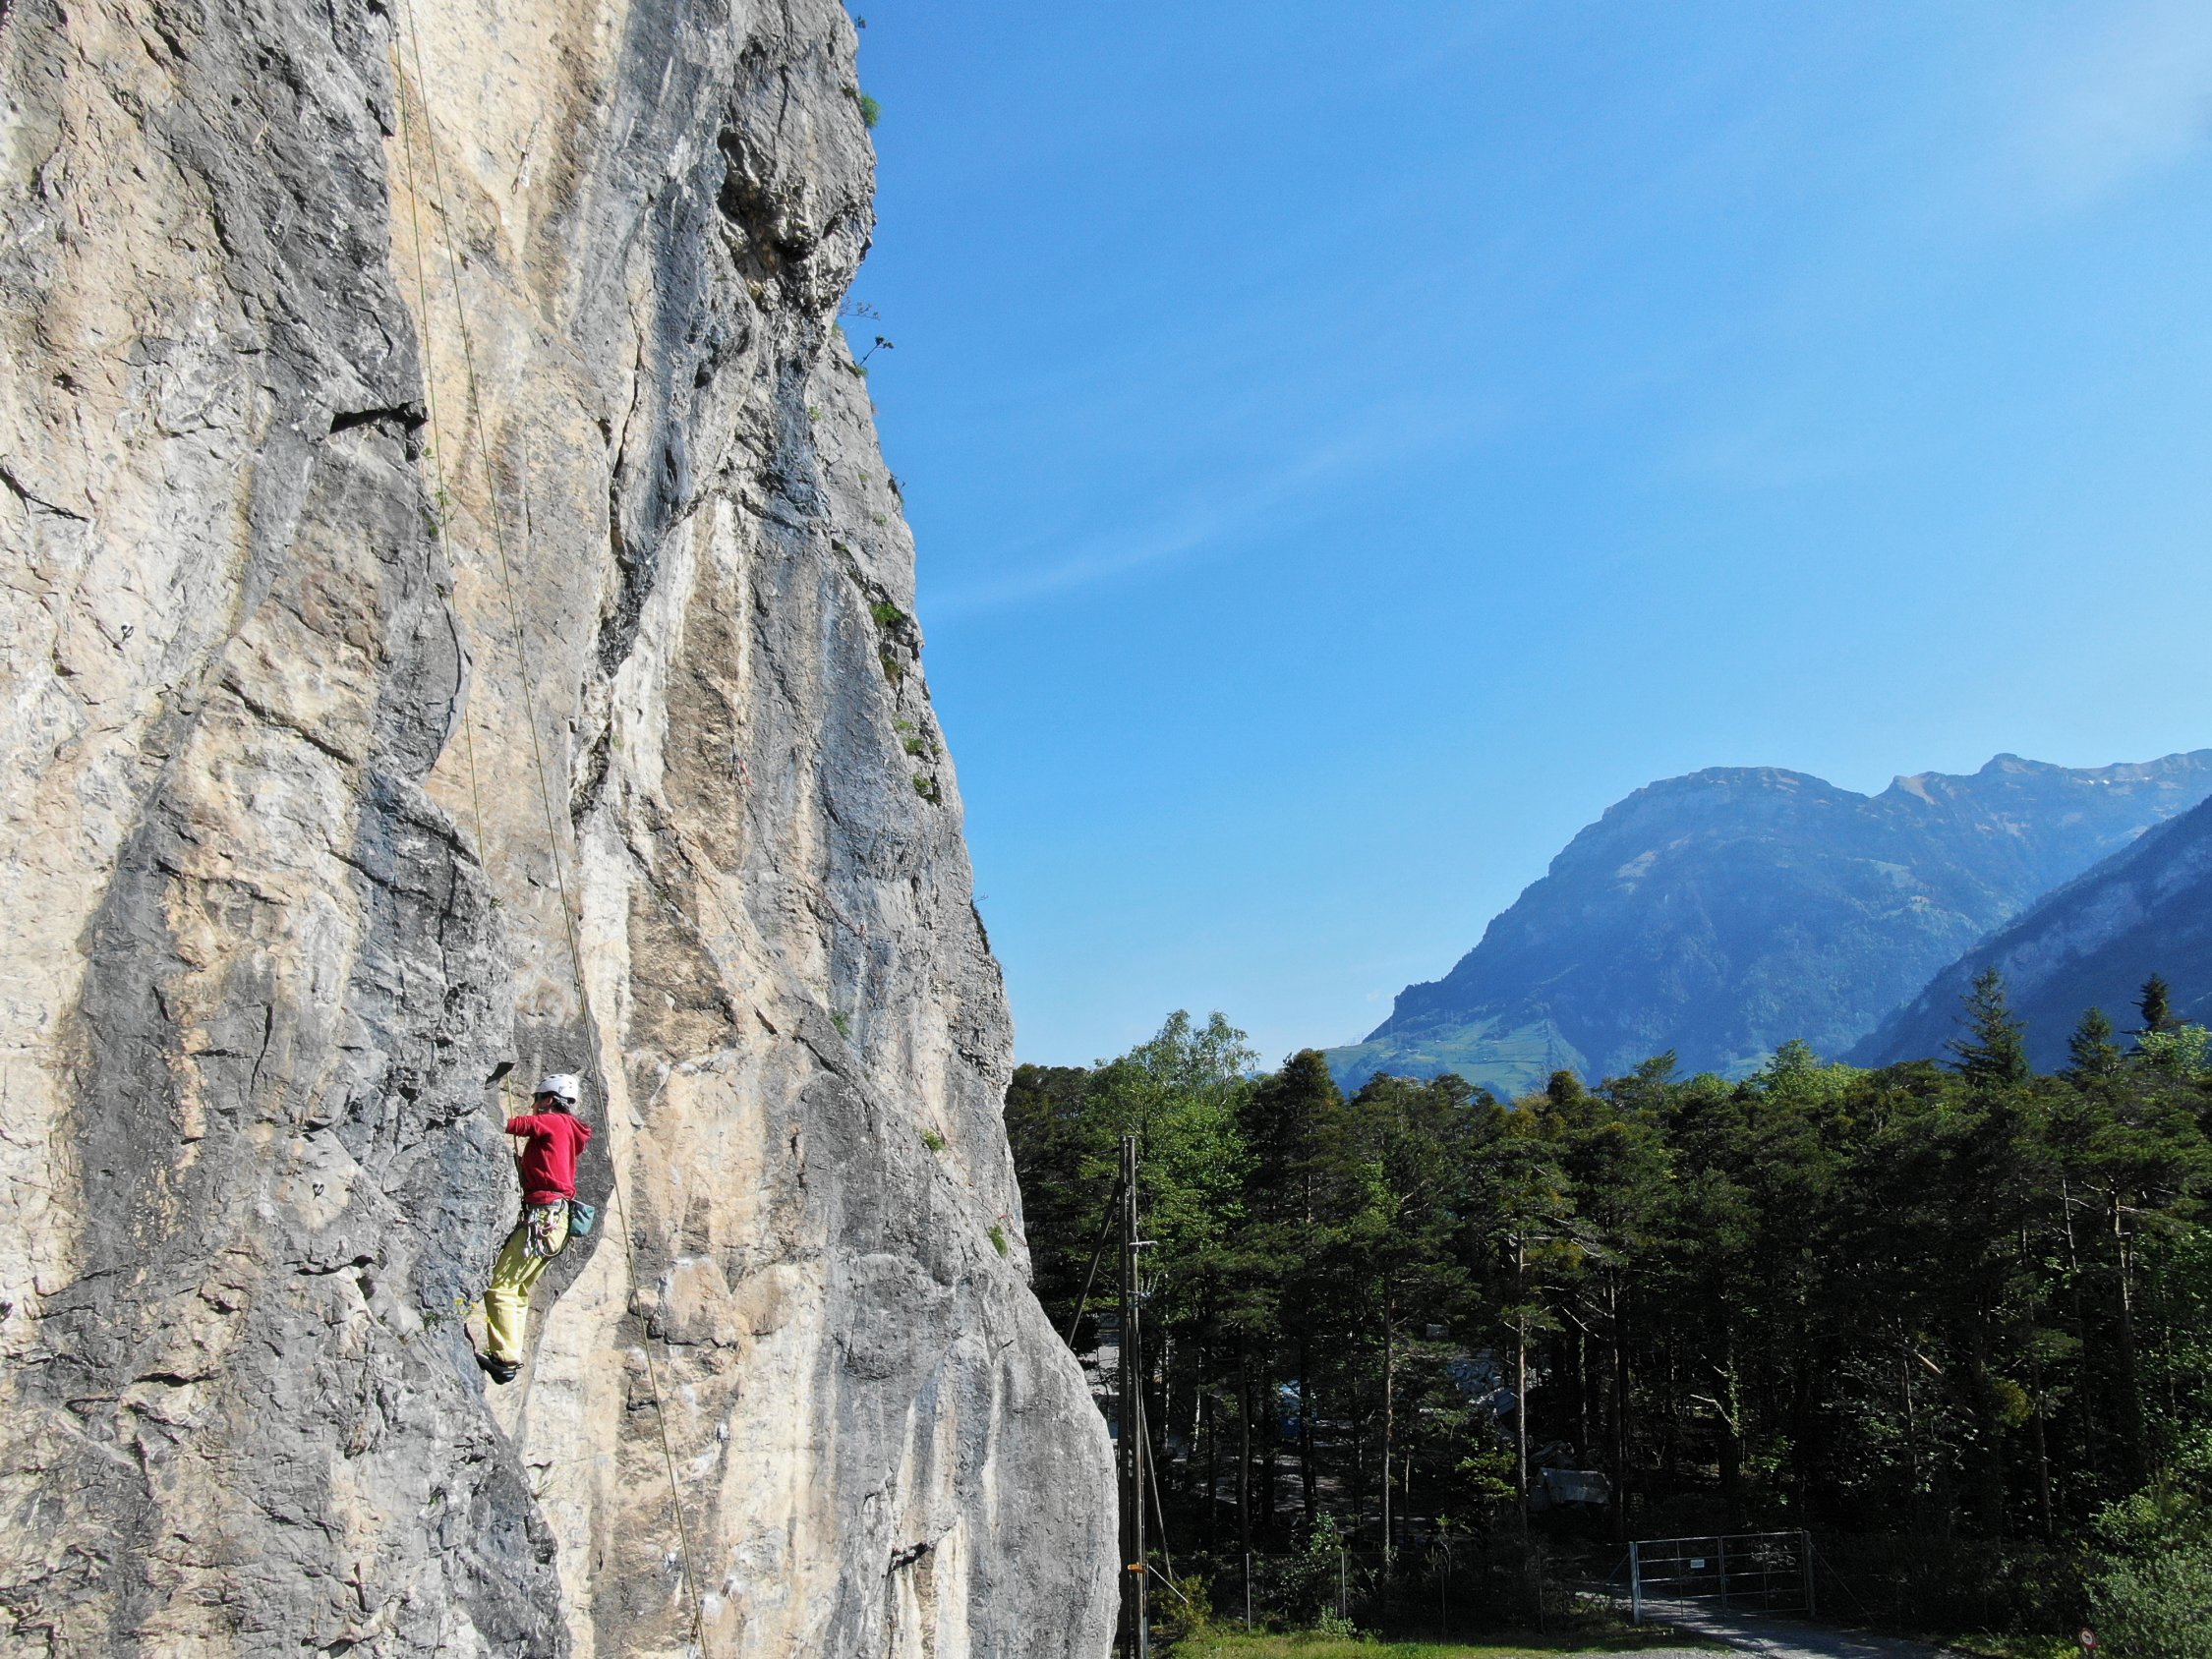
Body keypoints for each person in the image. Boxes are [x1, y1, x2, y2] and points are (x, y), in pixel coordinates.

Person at [477, 1072, 593, 1384]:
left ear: (550, 1100)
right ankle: (508, 1354)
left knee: (501, 1286)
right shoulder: (569, 1130)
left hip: (544, 1217)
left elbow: (517, 1126)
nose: (534, 1105)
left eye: (538, 1099)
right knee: (517, 1290)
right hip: (557, 1220)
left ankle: (505, 1358)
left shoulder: (554, 1122)